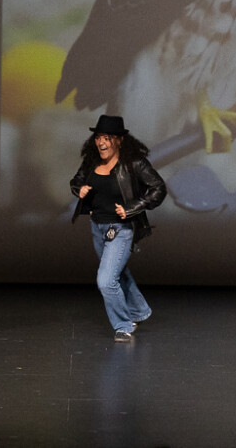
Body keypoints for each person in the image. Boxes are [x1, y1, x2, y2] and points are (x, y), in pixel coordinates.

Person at [70, 114, 167, 342]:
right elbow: (76, 180)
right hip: (97, 227)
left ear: (119, 140)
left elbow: (158, 188)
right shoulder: (92, 162)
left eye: (107, 138)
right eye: (98, 138)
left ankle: (123, 325)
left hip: (121, 229)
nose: (101, 143)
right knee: (118, 273)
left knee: (105, 280)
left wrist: (132, 208)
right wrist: (79, 189)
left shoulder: (134, 163)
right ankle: (140, 310)